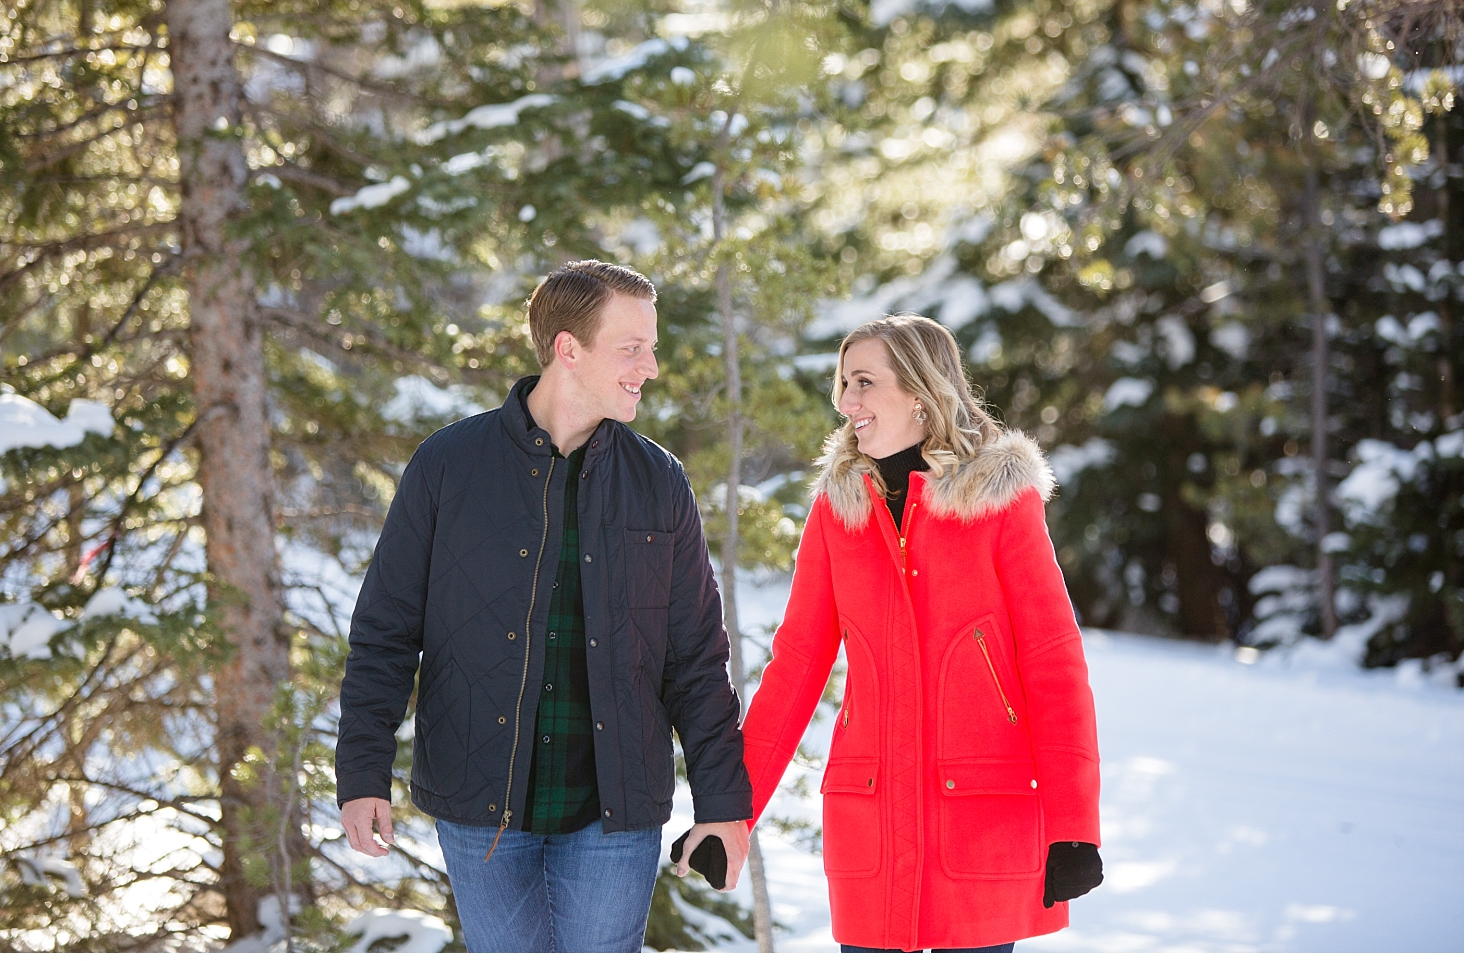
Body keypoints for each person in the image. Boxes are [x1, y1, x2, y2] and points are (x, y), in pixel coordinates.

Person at [336, 260, 752, 952]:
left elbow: (698, 661)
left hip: (613, 810)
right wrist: (361, 772)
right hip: (481, 803)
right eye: (632, 348)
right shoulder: (448, 465)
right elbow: (385, 631)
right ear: (568, 348)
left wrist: (723, 806)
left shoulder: (660, 482)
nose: (650, 367)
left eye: (651, 347)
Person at [740, 314, 1103, 953]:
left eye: (862, 382)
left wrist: (1074, 827)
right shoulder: (837, 509)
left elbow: (1053, 662)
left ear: (920, 391)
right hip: (872, 830)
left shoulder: (999, 501)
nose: (846, 402)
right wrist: (731, 813)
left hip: (981, 825)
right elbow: (795, 667)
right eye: (843, 384)